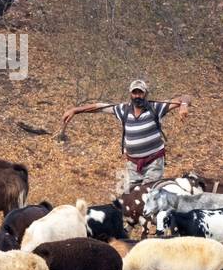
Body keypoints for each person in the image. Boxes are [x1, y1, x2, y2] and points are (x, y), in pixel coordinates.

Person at [60, 80, 192, 191]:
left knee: (147, 194)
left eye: (140, 92)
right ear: (130, 94)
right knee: (123, 195)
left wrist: (184, 105)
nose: (137, 96)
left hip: (154, 162)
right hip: (132, 164)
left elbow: (185, 97)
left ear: (146, 94)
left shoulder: (156, 107)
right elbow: (100, 107)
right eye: (134, 92)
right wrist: (75, 110)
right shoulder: (123, 109)